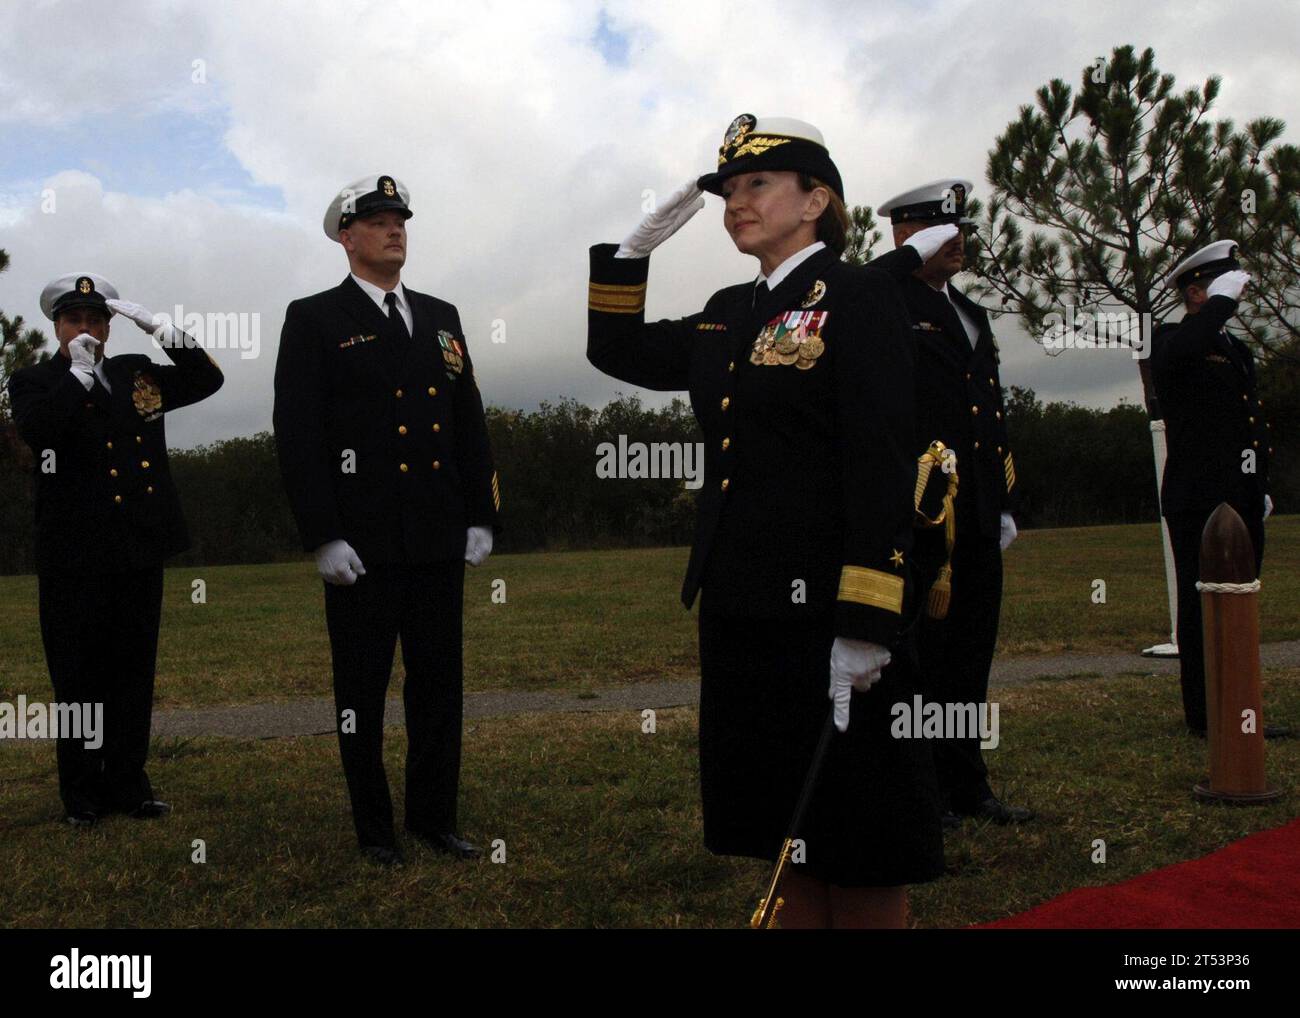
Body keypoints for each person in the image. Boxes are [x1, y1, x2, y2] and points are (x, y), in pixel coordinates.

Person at [587, 115, 943, 928]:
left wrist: (865, 620)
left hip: (831, 607)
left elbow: (882, 460)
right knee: (785, 825)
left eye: (756, 185)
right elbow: (617, 352)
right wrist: (630, 257)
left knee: (862, 829)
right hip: (743, 604)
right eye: (726, 190)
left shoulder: (861, 297)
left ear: (817, 198)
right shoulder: (726, 311)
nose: (735, 204)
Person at [273, 174, 500, 867]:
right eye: (375, 220)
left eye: (399, 218)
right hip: (362, 544)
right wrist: (323, 534)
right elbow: (298, 434)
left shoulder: (440, 314)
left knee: (437, 684)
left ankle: (435, 818)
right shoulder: (314, 318)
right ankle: (375, 830)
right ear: (347, 236)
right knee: (362, 694)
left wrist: (481, 513)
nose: (394, 229)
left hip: (435, 534)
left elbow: (469, 421)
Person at [8, 273, 224, 827]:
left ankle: (130, 785)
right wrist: (78, 377)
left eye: (97, 320)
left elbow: (206, 380)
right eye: (75, 320)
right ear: (56, 327)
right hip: (73, 555)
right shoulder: (33, 379)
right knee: (78, 676)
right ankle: (81, 795)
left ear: (109, 325)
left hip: (137, 548)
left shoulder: (134, 373)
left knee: (132, 672)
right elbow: (40, 431)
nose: (87, 329)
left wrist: (163, 331)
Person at [868, 180, 1033, 827]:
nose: (957, 238)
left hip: (979, 516)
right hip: (922, 517)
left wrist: (1004, 498)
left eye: (959, 225)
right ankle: (923, 791)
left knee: (969, 656)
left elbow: (989, 413)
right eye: (939, 227)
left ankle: (968, 784)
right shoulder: (887, 301)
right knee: (920, 662)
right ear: (905, 236)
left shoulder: (971, 312)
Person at [1150, 240, 1284, 737]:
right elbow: (1186, 349)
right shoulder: (1170, 339)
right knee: (1202, 603)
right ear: (1196, 292)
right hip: (1199, 497)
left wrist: (1259, 481)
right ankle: (1207, 714)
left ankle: (1242, 706)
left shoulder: (1234, 348)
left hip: (1243, 492)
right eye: (1224, 285)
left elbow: (1246, 420)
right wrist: (1218, 303)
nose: (1238, 293)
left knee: (1241, 600)